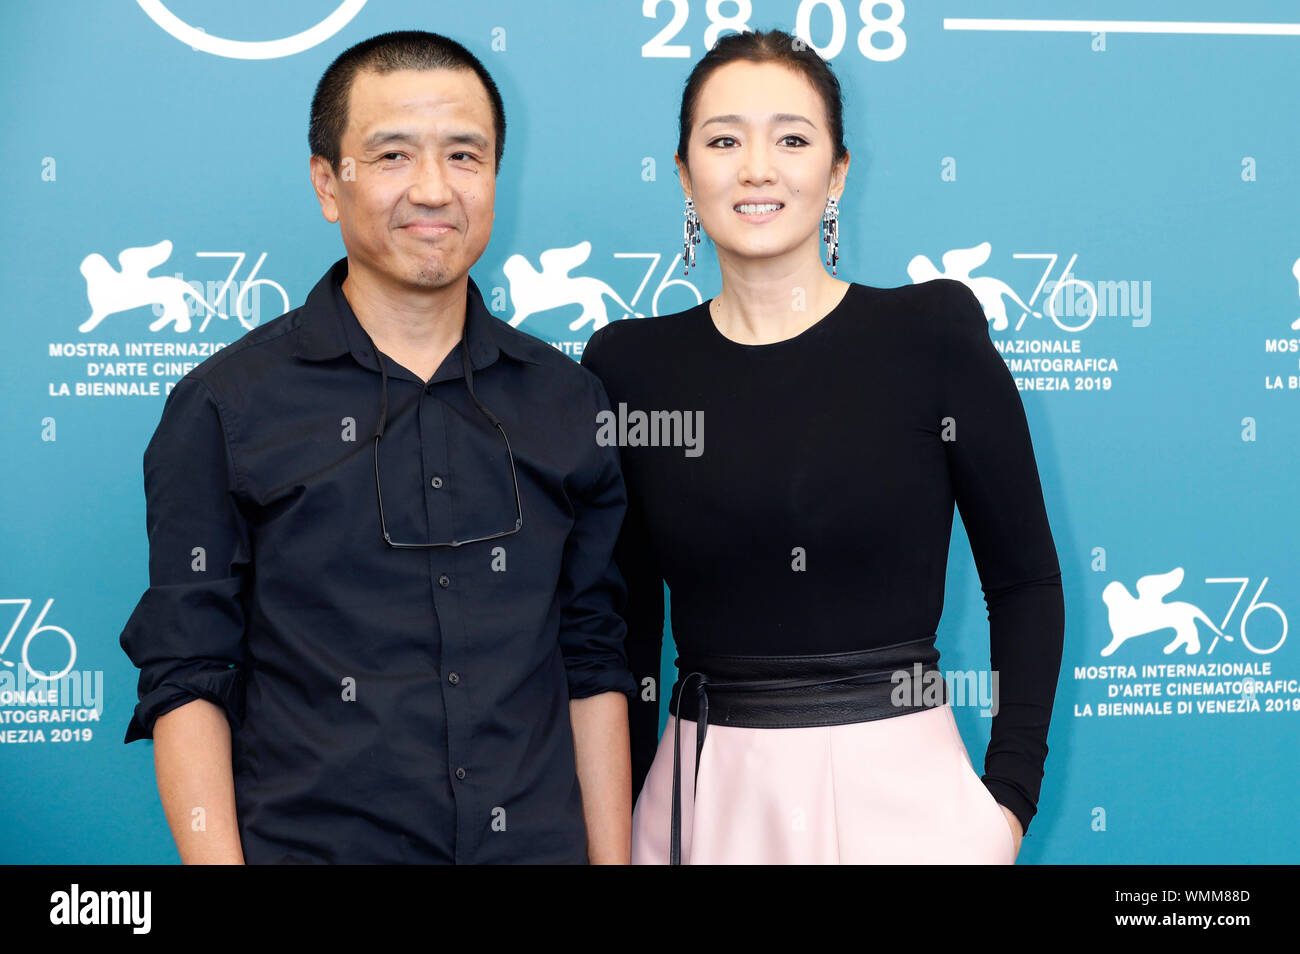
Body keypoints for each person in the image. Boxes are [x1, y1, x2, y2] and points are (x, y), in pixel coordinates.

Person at [120, 30, 636, 865]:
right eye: (392, 155)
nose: (434, 189)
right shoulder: (224, 407)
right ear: (329, 183)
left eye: (465, 156)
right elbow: (188, 675)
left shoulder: (566, 400)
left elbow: (592, 658)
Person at [580, 28, 1065, 864]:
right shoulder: (628, 364)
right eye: (725, 139)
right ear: (685, 172)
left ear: (838, 171)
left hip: (909, 800)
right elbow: (626, 628)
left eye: (792, 139)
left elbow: (1024, 582)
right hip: (701, 800)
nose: (757, 167)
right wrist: (622, 828)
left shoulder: (933, 334)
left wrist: (1007, 804)